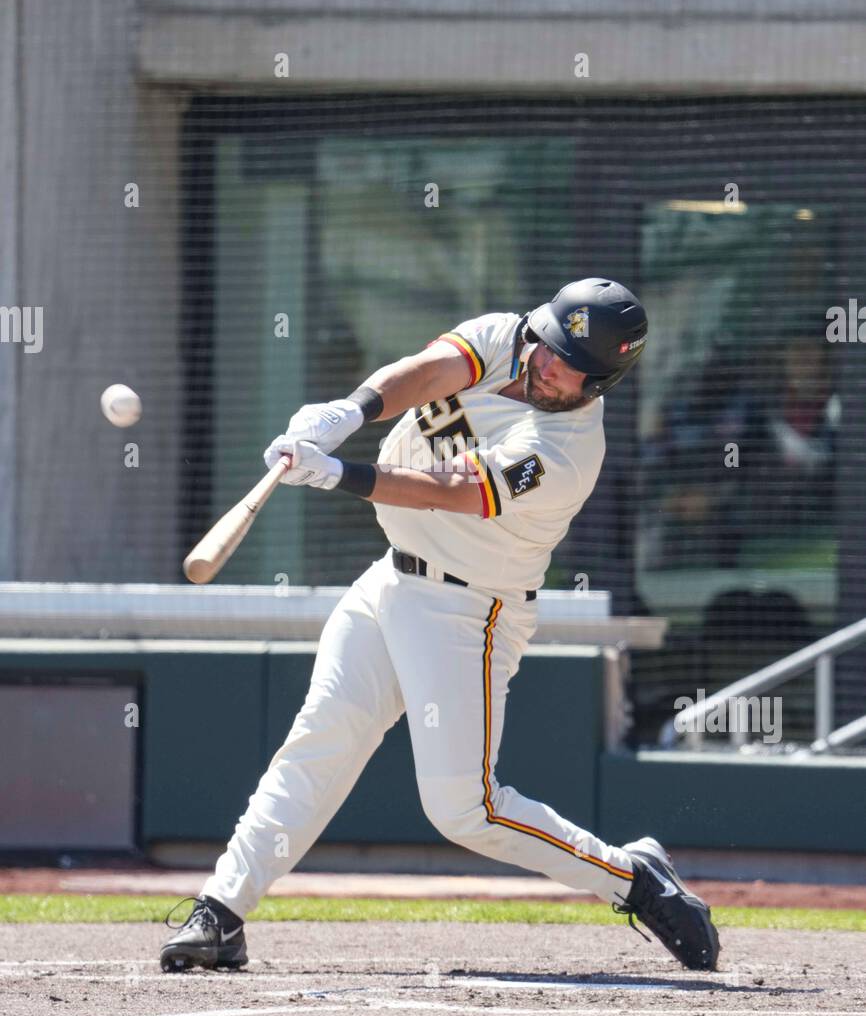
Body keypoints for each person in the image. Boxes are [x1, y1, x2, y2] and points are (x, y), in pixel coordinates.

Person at [160, 278, 720, 974]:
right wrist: (350, 409)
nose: (544, 362)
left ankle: (633, 878)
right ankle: (221, 911)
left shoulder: (565, 452)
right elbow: (429, 372)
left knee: (465, 809)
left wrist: (340, 473)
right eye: (547, 344)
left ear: (602, 379)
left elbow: (453, 493)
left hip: (468, 612)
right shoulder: (508, 340)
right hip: (391, 580)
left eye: (567, 361)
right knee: (319, 740)